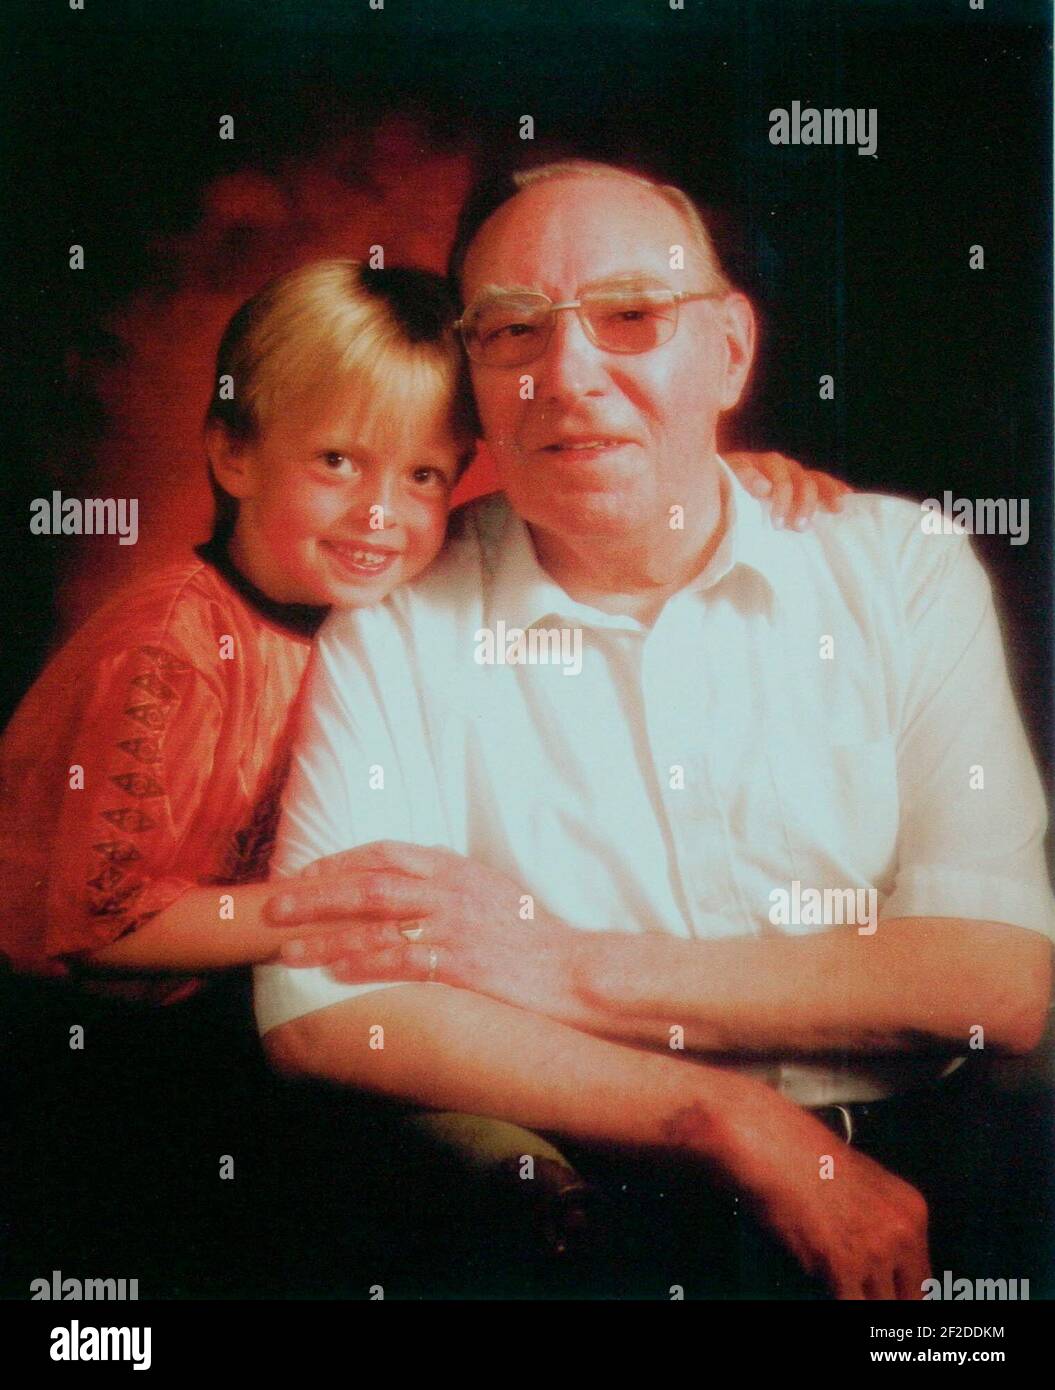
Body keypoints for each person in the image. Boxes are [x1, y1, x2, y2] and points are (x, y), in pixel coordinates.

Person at [254, 161, 1055, 1300]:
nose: (567, 374)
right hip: (585, 1210)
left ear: (728, 351)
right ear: (472, 379)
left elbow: (991, 978)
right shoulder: (393, 623)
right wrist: (728, 1119)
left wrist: (560, 963)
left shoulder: (899, 567)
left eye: (630, 316)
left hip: (943, 1179)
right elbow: (328, 1011)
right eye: (512, 330)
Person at [0, 253, 834, 1295]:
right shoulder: (171, 650)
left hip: (240, 1015)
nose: (379, 514)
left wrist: (737, 487)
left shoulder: (368, 614)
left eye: (423, 475)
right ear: (232, 452)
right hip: (97, 1056)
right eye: (338, 461)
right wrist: (319, 910)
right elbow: (101, 934)